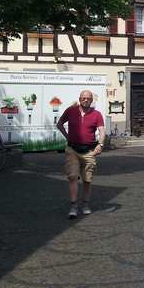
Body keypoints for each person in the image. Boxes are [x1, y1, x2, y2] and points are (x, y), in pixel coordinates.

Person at [56, 90, 105, 219]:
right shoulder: (70, 111)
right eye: (83, 98)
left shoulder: (97, 114)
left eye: (88, 98)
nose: (86, 100)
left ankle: (86, 204)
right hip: (72, 150)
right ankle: (73, 206)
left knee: (87, 179)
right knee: (72, 176)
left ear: (91, 100)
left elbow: (101, 130)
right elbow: (59, 124)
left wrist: (100, 144)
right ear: (79, 99)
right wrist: (67, 136)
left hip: (89, 151)